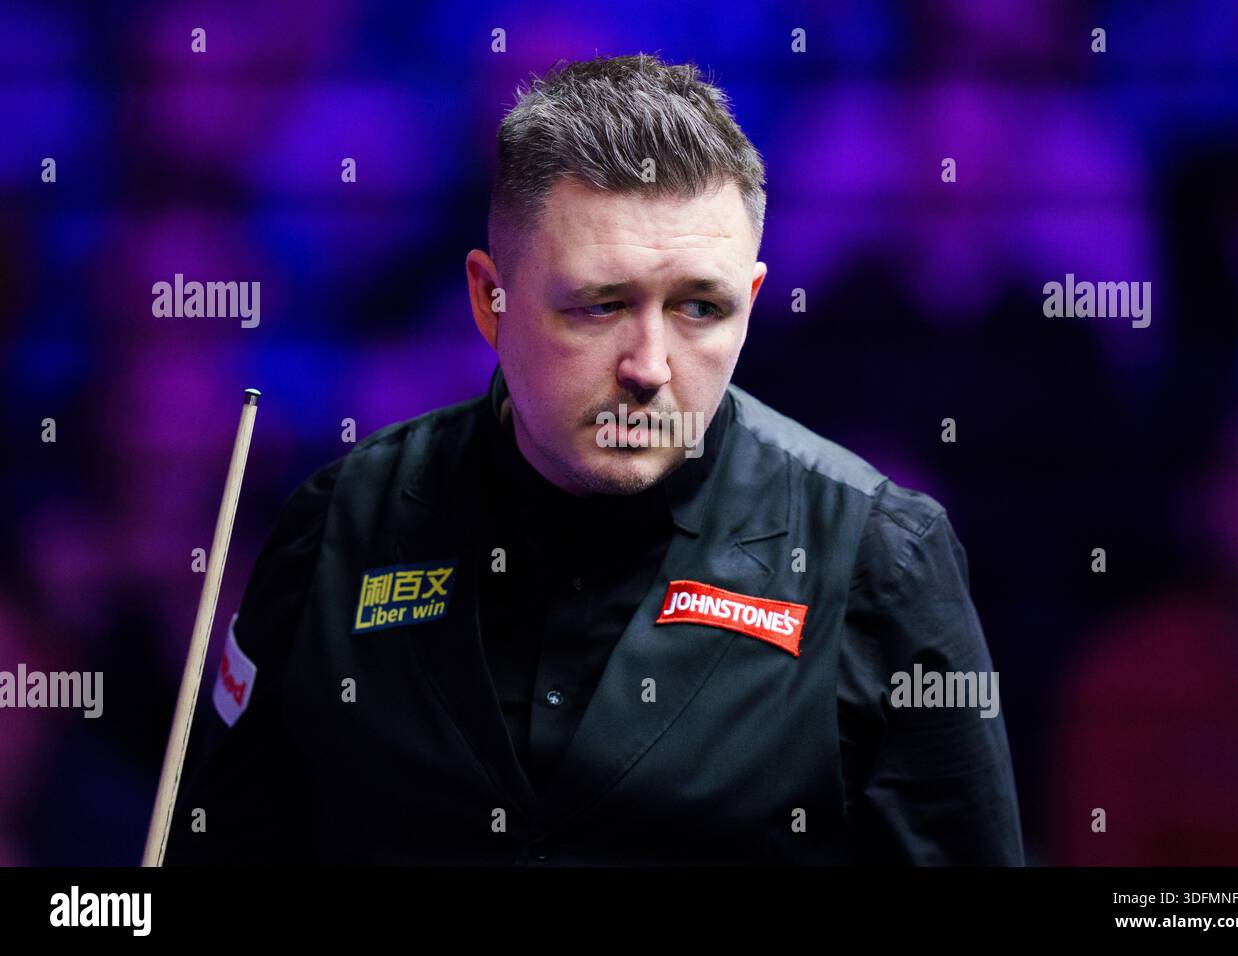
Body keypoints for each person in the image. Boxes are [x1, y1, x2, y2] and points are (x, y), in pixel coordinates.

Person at [164, 52, 1024, 866]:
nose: (649, 365)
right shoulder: (338, 528)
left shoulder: (877, 559)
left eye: (699, 308)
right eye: (599, 305)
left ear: (752, 303)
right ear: (487, 299)